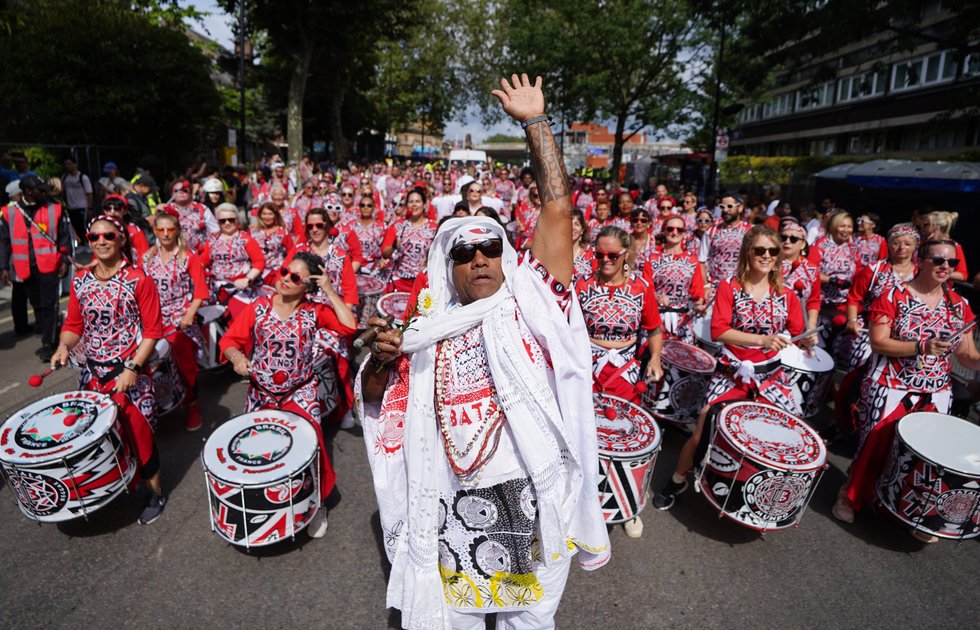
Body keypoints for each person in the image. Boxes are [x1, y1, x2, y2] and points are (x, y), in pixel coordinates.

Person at [357, 74, 609, 629]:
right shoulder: (424, 327)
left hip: (531, 497)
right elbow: (379, 403)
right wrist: (383, 358)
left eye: (490, 246)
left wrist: (536, 123)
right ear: (447, 268)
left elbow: (560, 210)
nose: (479, 258)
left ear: (505, 254)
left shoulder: (532, 301)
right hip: (452, 503)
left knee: (525, 623)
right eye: (464, 251)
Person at [653, 226, 812, 510]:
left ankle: (752, 494)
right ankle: (677, 479)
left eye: (772, 251)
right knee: (703, 427)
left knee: (780, 436)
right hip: (731, 372)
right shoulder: (730, 287)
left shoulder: (787, 295)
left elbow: (797, 334)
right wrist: (762, 339)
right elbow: (719, 331)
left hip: (772, 375)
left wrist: (807, 339)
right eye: (759, 250)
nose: (766, 256)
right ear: (747, 253)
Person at [832, 239, 980, 542]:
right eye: (938, 260)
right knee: (875, 446)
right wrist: (920, 346)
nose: (945, 267)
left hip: (936, 390)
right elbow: (879, 342)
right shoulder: (893, 296)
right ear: (921, 260)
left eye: (951, 263)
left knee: (926, 457)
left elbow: (967, 356)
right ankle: (848, 496)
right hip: (891, 384)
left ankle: (911, 512)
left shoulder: (958, 305)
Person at [220, 250, 357, 538]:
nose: (285, 279)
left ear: (308, 286)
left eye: (295, 277)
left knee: (310, 448)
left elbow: (349, 326)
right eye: (284, 271)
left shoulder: (313, 312)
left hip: (300, 392)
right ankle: (261, 505)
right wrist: (236, 358)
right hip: (262, 392)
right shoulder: (258, 306)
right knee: (254, 452)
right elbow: (230, 340)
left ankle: (317, 502)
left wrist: (329, 290)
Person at [51, 214, 166, 524]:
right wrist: (64, 346)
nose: (101, 241)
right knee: (91, 433)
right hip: (93, 373)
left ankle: (154, 491)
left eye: (109, 236)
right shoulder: (80, 280)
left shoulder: (139, 278)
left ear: (121, 240)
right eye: (94, 237)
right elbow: (74, 324)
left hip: (131, 373)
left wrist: (132, 368)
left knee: (138, 434)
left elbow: (153, 330)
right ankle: (107, 485)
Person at [576, 225, 664, 538]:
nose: (605, 260)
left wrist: (654, 358)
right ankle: (579, 502)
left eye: (612, 255)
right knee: (584, 434)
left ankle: (627, 502)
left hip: (626, 371)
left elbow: (654, 329)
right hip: (588, 366)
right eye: (599, 254)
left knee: (625, 437)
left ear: (625, 254)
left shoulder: (641, 288)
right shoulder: (582, 285)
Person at [833, 224, 918, 432]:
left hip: (905, 337)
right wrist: (852, 321)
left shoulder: (921, 274)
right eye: (896, 243)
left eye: (908, 243)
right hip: (870, 331)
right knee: (858, 376)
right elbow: (854, 297)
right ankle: (845, 421)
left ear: (916, 246)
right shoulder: (874, 270)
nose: (902, 248)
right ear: (888, 244)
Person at [143, 210, 209, 431]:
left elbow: (200, 291)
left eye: (170, 229)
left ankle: (192, 406)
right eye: (160, 229)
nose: (165, 234)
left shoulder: (188, 257)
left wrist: (189, 315)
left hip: (180, 318)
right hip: (153, 319)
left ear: (177, 230)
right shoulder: (146, 257)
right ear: (155, 231)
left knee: (185, 365)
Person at [0, 175, 71, 360]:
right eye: (40, 189)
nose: (44, 192)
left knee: (49, 305)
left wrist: (64, 260)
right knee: (37, 305)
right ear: (28, 192)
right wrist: (4, 268)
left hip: (49, 264)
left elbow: (64, 236)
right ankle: (50, 333)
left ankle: (49, 343)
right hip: (25, 267)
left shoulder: (54, 209)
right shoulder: (10, 213)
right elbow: (4, 242)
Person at [644, 214, 707, 343]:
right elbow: (645, 288)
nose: (674, 232)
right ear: (664, 230)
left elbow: (697, 291)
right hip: (656, 317)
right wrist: (656, 296)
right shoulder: (652, 258)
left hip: (682, 321)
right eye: (670, 229)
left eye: (679, 230)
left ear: (684, 232)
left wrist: (699, 306)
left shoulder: (692, 259)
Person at [200, 203, 265, 318]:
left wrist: (248, 279)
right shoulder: (211, 240)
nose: (227, 223)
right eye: (222, 220)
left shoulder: (246, 239)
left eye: (231, 220)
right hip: (216, 288)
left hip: (239, 288)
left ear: (237, 220)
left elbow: (259, 261)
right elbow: (203, 261)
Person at [810, 211, 860, 358]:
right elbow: (810, 271)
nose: (846, 230)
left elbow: (857, 273)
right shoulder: (820, 245)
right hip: (822, 305)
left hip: (843, 305)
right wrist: (832, 280)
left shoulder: (853, 249)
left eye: (849, 227)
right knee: (819, 349)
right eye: (842, 226)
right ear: (833, 227)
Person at [381, 188, 438, 292]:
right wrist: (394, 246)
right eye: (411, 202)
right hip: (400, 281)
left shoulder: (434, 228)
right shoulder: (397, 226)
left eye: (417, 201)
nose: (414, 205)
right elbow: (385, 253)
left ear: (424, 205)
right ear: (406, 205)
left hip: (423, 282)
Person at [779, 218, 820, 331]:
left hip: (797, 326)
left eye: (793, 239)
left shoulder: (811, 269)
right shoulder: (768, 263)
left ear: (802, 245)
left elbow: (813, 301)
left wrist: (811, 325)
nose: (787, 241)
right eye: (783, 238)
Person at [157, 180, 219, 254]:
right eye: (176, 191)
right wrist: (157, 213)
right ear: (172, 194)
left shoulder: (202, 209)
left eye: (185, 190)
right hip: (173, 254)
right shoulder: (165, 209)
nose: (181, 193)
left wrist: (206, 253)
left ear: (191, 193)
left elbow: (215, 232)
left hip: (199, 255)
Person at [703, 194, 751, 288]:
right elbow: (701, 260)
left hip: (742, 285)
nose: (725, 210)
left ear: (740, 208)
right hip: (715, 286)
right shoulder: (711, 231)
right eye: (722, 207)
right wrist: (705, 285)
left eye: (729, 206)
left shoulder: (750, 231)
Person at [250, 201, 295, 286]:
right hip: (256, 273)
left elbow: (291, 253)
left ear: (275, 215)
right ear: (260, 215)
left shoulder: (283, 232)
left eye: (270, 214)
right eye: (264, 214)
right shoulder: (252, 231)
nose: (267, 217)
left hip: (276, 273)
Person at [918, 211, 968, 282]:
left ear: (936, 227)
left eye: (926, 225)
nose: (922, 227)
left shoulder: (954, 247)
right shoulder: (920, 243)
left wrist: (940, 273)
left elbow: (962, 275)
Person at [101, 195, 150, 264]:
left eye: (117, 208)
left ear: (125, 211)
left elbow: (144, 254)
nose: (112, 212)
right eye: (108, 208)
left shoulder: (134, 230)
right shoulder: (100, 229)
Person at [61, 157, 93, 238]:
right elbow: (63, 192)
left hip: (82, 206)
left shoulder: (83, 177)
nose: (67, 166)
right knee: (74, 227)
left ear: (75, 165)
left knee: (83, 227)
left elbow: (89, 193)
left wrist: (89, 207)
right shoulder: (65, 178)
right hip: (71, 207)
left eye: (69, 164)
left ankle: (86, 243)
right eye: (66, 164)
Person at [570, 209, 595, 283]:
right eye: (569, 224)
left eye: (576, 224)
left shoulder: (591, 254)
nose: (572, 228)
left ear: (582, 230)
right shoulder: (555, 252)